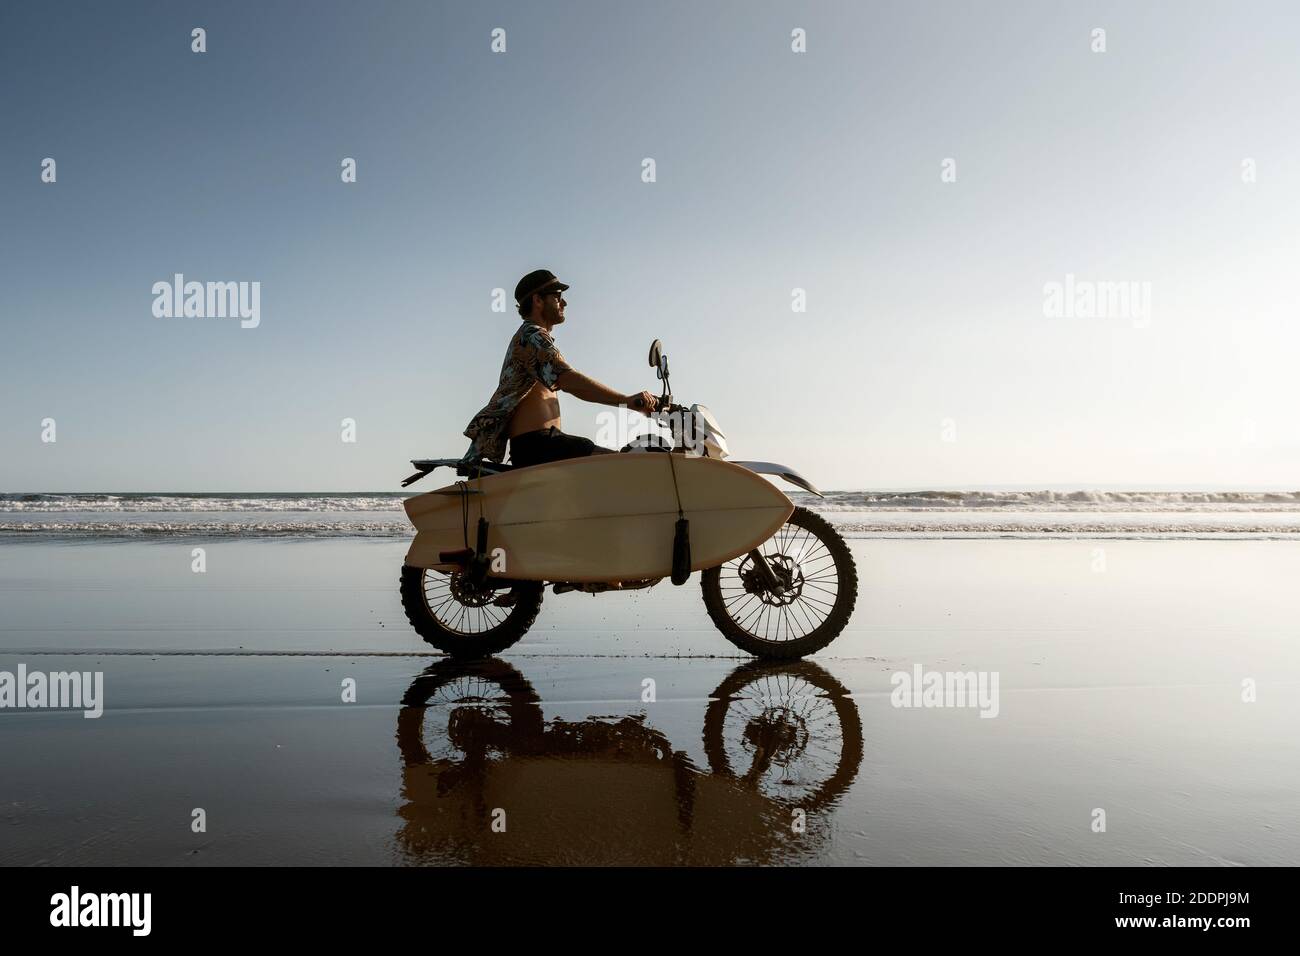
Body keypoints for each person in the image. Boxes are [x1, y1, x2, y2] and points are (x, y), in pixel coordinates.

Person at [461, 269, 658, 469]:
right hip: (540, 445)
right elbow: (567, 380)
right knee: (623, 466)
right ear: (538, 300)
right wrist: (627, 401)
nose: (564, 303)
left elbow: (568, 383)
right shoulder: (532, 336)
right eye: (557, 297)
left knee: (619, 464)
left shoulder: (531, 337)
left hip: (545, 444)